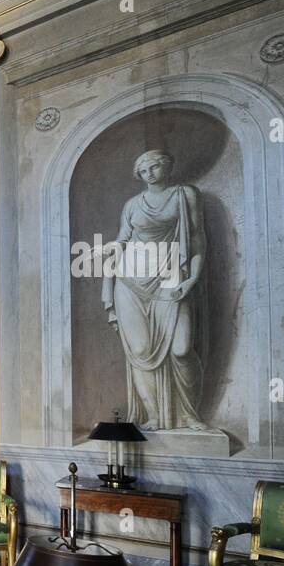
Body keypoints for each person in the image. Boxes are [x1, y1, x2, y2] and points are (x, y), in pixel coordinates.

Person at [99, 149, 209, 431]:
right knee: (139, 351)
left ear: (168, 167)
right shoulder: (132, 204)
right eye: (144, 170)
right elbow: (123, 239)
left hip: (171, 277)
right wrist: (106, 251)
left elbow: (196, 240)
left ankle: (189, 414)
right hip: (130, 282)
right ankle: (155, 415)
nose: (150, 173)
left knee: (182, 348)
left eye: (155, 166)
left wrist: (192, 279)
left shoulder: (185, 195)